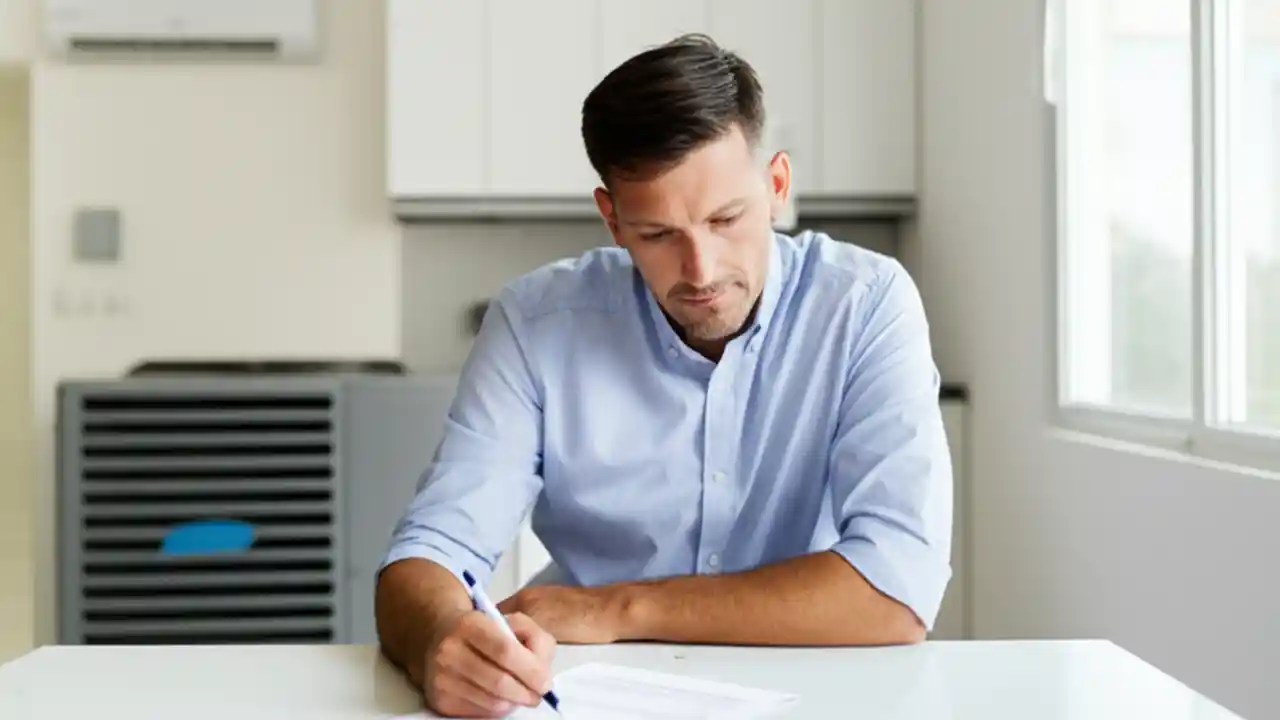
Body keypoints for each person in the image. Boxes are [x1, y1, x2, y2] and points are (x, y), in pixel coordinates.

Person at [375, 34, 952, 719]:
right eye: (657, 234)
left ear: (776, 186)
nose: (701, 270)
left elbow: (895, 593)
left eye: (727, 219)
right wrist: (442, 638)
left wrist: (619, 605)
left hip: (816, 690)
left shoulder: (865, 304)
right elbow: (431, 554)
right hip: (582, 690)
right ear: (612, 219)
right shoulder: (536, 322)